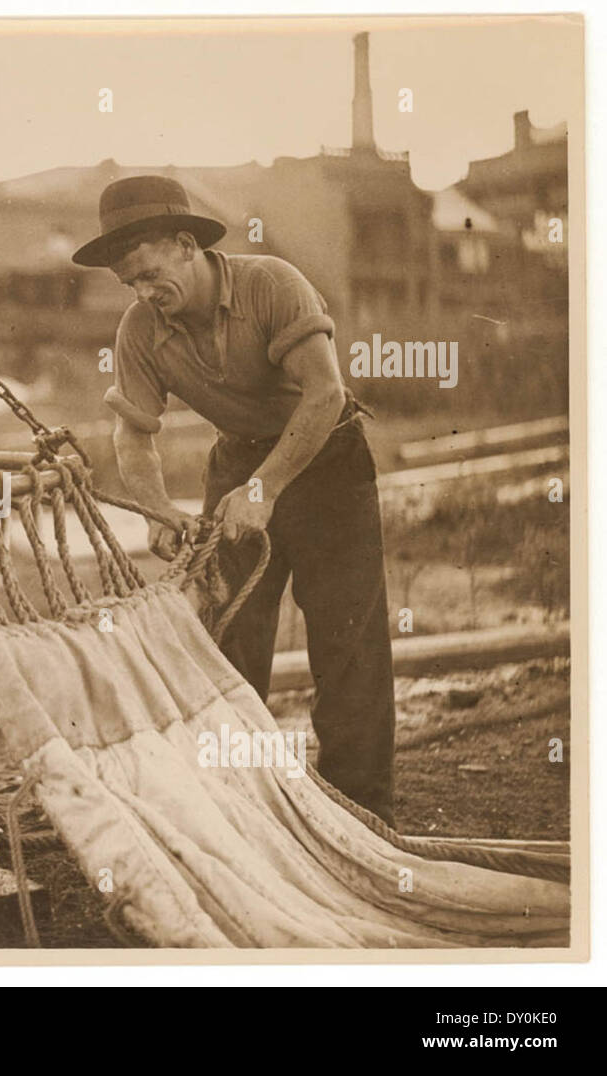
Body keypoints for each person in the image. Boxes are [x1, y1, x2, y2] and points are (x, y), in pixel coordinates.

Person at [73, 175, 396, 825]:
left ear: (187, 244)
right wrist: (159, 508)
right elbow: (132, 433)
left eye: (148, 274)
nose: (142, 293)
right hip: (238, 460)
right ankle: (240, 805)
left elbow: (324, 394)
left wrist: (265, 489)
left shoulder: (272, 284)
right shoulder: (141, 330)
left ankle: (361, 811)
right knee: (228, 638)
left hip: (327, 458)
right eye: (129, 283)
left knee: (348, 641)